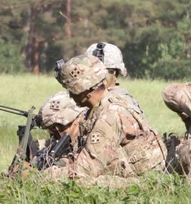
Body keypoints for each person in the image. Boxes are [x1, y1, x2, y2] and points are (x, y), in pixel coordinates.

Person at [44, 55, 165, 183]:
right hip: (140, 177)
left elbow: (84, 169)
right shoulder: (106, 104)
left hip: (142, 183)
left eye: (70, 89)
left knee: (81, 183)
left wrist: (42, 175)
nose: (70, 95)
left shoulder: (109, 115)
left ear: (79, 89)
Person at [85, 41, 142, 113]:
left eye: (103, 74)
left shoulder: (120, 104)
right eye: (92, 73)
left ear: (116, 74)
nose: (97, 79)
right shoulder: (83, 99)